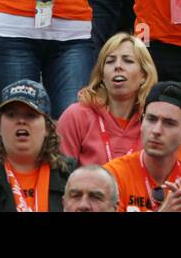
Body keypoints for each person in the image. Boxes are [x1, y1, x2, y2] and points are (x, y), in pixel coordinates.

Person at [104, 80, 181, 211]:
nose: (156, 130)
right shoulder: (112, 176)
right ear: (141, 121)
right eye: (151, 119)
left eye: (169, 123)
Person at [57, 33, 157, 165]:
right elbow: (60, 176)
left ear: (143, 75)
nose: (118, 66)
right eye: (110, 61)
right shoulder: (76, 116)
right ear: (102, 76)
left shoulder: (155, 123)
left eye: (128, 60)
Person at [0, 79, 76, 211]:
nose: (21, 121)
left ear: (47, 127)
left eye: (31, 115)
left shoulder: (68, 173)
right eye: (11, 115)